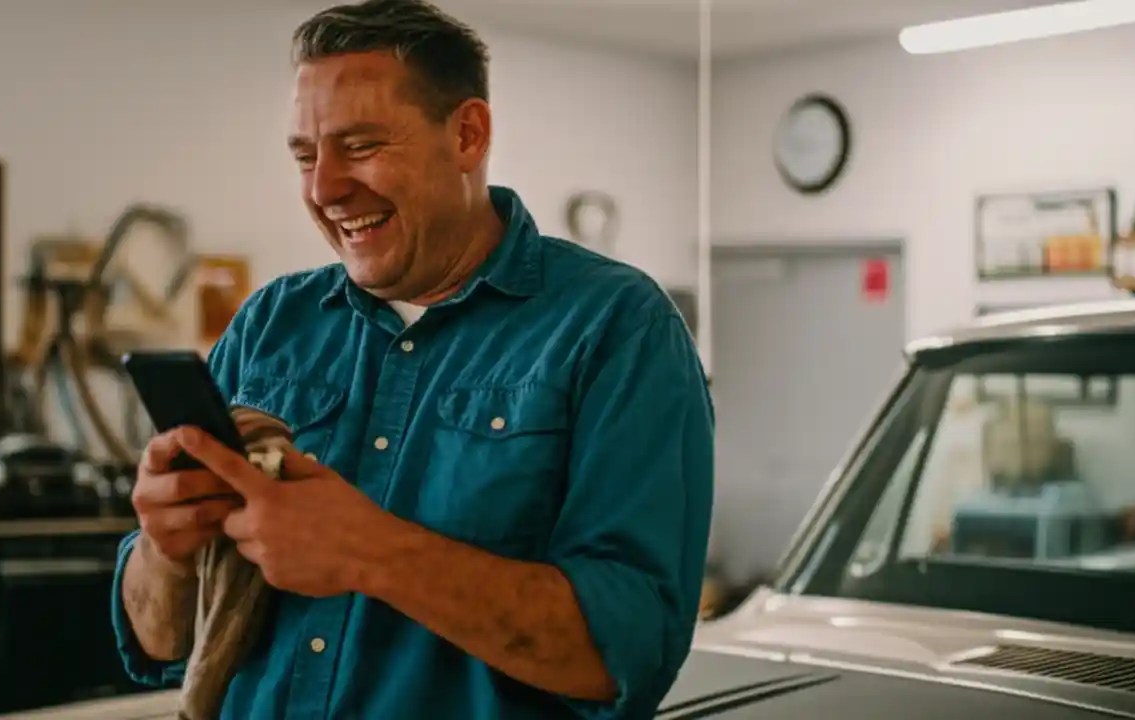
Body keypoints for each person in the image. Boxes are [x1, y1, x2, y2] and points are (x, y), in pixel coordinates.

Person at [111, 0, 715, 717]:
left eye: (360, 146)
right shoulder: (272, 323)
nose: (322, 189)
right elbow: (157, 640)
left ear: (467, 134)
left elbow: (629, 653)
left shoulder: (616, 328)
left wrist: (373, 552)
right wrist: (165, 548)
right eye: (305, 156)